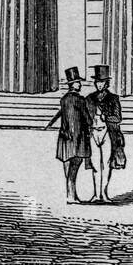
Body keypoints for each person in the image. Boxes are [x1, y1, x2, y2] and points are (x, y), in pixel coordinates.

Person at [46, 67, 92, 204]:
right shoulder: (80, 100)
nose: (80, 85)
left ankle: (71, 194)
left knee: (68, 168)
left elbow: (62, 114)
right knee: (75, 167)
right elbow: (87, 119)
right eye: (78, 82)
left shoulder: (64, 99)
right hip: (77, 138)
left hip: (65, 138)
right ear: (73, 84)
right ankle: (72, 196)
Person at [84, 65, 125, 204]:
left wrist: (105, 118)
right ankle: (96, 195)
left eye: (102, 82)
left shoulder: (113, 98)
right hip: (93, 133)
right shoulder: (89, 98)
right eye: (97, 82)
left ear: (106, 83)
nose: (99, 85)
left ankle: (104, 194)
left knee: (106, 164)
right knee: (95, 165)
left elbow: (118, 118)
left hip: (107, 133)